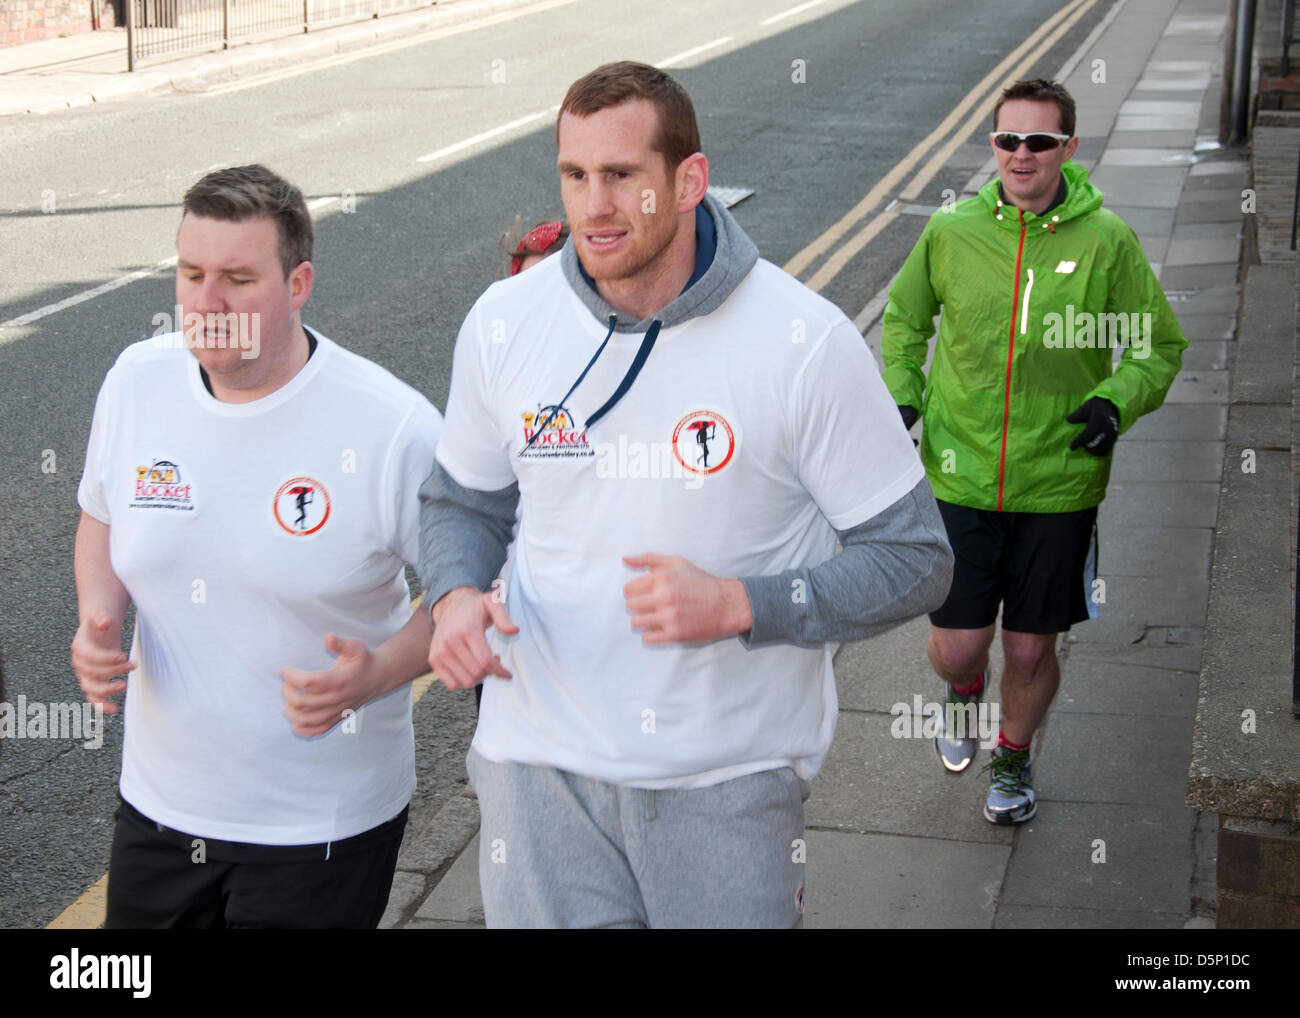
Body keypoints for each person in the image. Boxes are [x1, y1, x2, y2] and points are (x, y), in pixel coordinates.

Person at [419, 61, 954, 928]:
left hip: (724, 787)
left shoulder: (802, 343)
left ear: (690, 181)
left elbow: (917, 561)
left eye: (623, 176)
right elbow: (461, 500)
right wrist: (450, 599)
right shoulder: (504, 320)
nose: (593, 207)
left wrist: (747, 602)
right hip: (535, 774)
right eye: (576, 174)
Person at [71, 164, 443, 928]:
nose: (206, 304)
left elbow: (469, 587)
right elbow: (101, 515)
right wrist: (95, 616)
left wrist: (379, 672)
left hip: (320, 829)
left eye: (238, 279)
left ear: (299, 282)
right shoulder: (138, 381)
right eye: (191, 273)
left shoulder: (391, 427)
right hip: (160, 811)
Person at [881, 79, 1187, 824]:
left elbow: (1159, 346)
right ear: (993, 145)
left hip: (1059, 483)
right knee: (959, 648)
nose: (1022, 154)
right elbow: (902, 324)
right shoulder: (952, 233)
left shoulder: (1107, 241)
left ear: (1068, 149)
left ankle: (1012, 762)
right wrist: (903, 393)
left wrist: (1116, 402)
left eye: (1039, 141)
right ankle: (960, 696)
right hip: (957, 473)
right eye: (1008, 139)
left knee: (1025, 651)